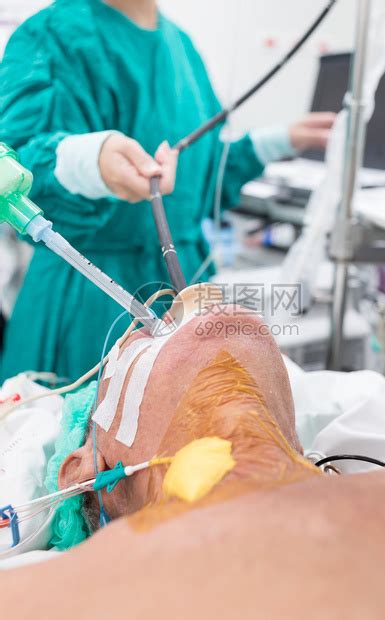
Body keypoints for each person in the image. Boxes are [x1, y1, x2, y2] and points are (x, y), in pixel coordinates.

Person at [2, 303, 385, 618]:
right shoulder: (41, 600)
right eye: (141, 339)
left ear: (297, 440)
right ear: (89, 479)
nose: (184, 303)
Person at [0, 0, 335, 383]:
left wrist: (278, 141)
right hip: (90, 303)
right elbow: (17, 164)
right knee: (88, 418)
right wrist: (90, 161)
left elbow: (201, 179)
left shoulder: (182, 46)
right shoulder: (50, 36)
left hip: (184, 295)